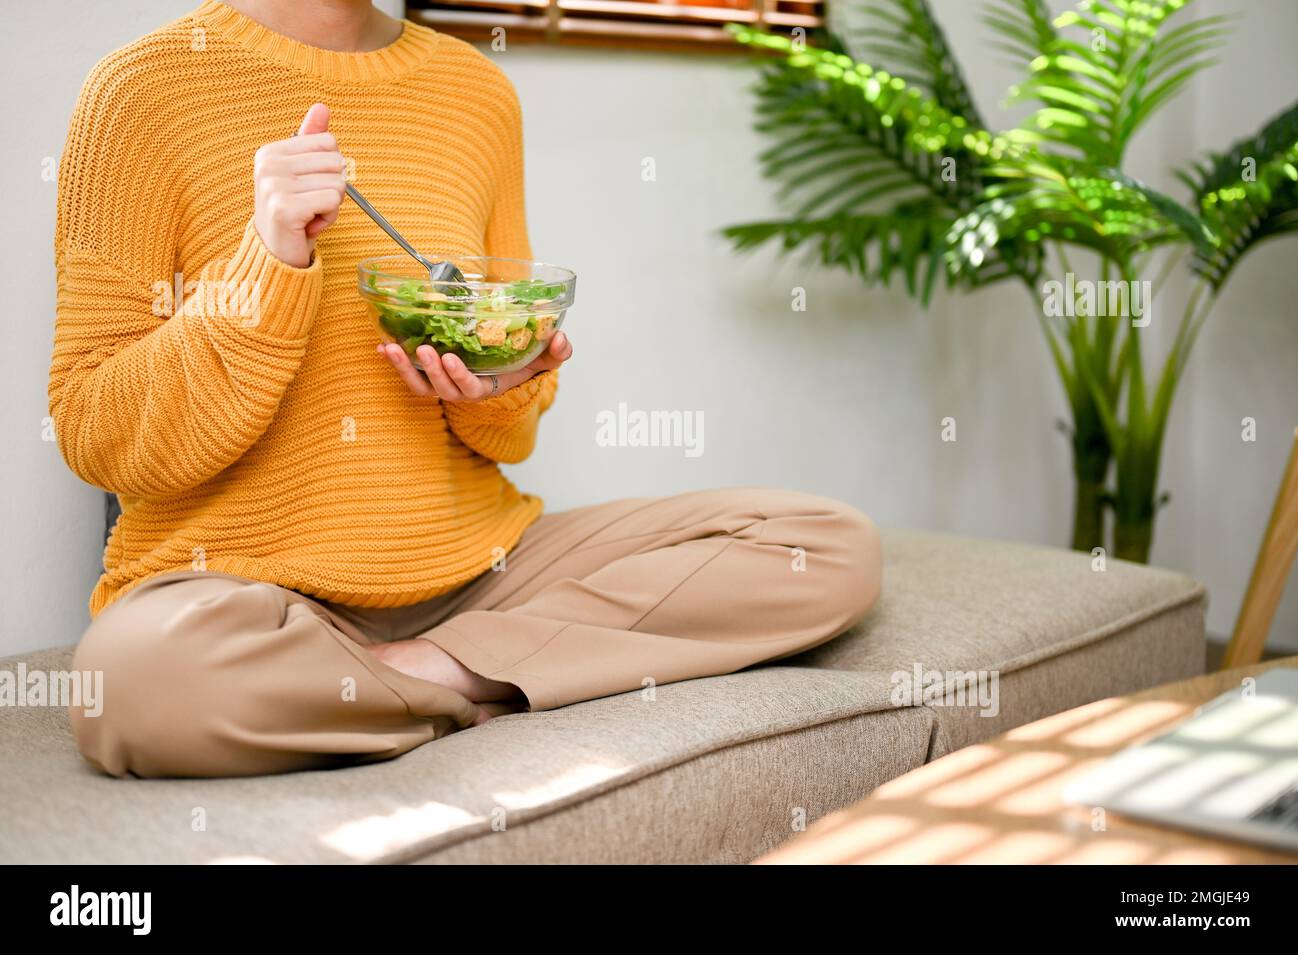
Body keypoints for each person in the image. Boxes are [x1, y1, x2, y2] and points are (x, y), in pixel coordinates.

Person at [49, 0, 882, 777]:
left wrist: (495, 384)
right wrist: (267, 264)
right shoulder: (139, 90)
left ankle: (432, 672)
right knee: (132, 682)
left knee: (826, 545)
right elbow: (92, 429)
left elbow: (508, 425)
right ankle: (494, 671)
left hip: (482, 568)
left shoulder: (474, 91)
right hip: (246, 594)